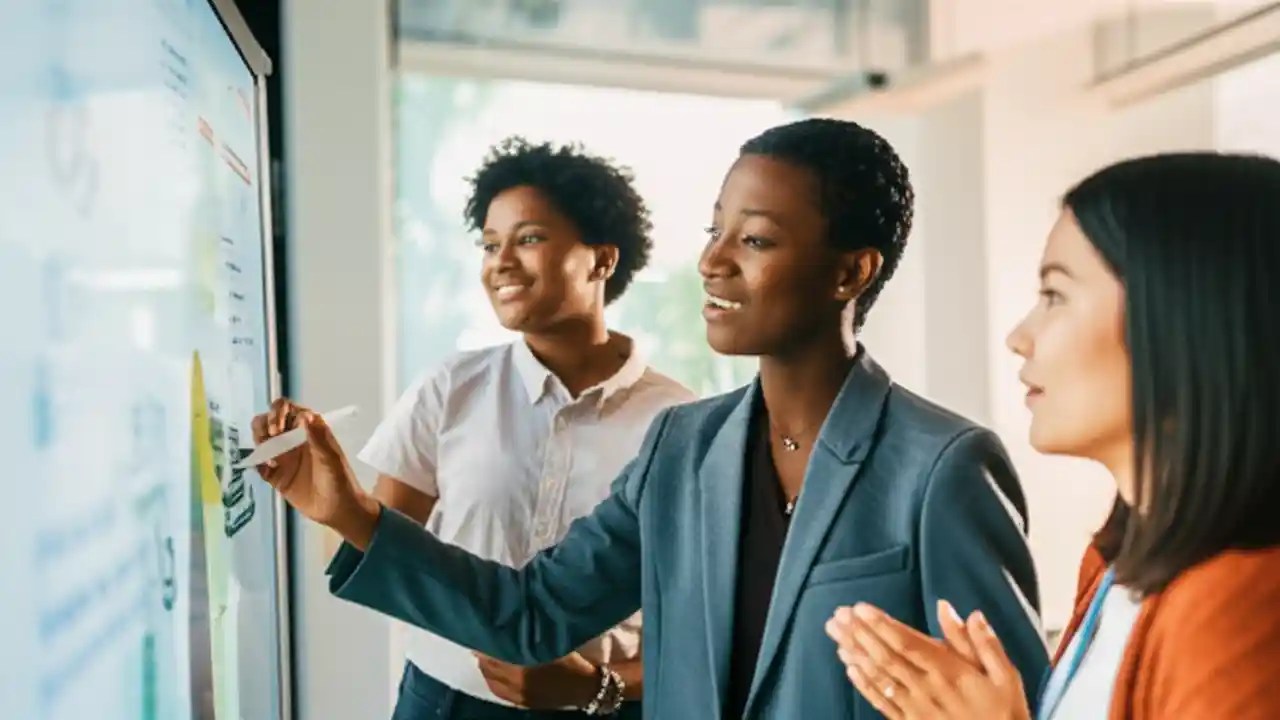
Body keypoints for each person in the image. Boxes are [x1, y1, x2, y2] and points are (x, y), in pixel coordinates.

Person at [254, 118, 1050, 718]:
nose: (713, 260)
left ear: (851, 271)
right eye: (715, 232)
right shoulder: (684, 447)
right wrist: (350, 513)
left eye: (758, 238)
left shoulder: (943, 465)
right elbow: (533, 616)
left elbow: (1012, 704)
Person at [826, 152, 1280, 720]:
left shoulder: (1235, 607)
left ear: (1183, 319)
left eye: (1056, 295)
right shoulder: (1116, 567)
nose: (1020, 336)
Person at [357, 138, 695, 719]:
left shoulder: (680, 423)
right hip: (445, 702)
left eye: (529, 238)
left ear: (602, 259)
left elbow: (701, 619)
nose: (500, 262)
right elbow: (384, 553)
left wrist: (601, 684)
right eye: (490, 244)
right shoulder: (451, 389)